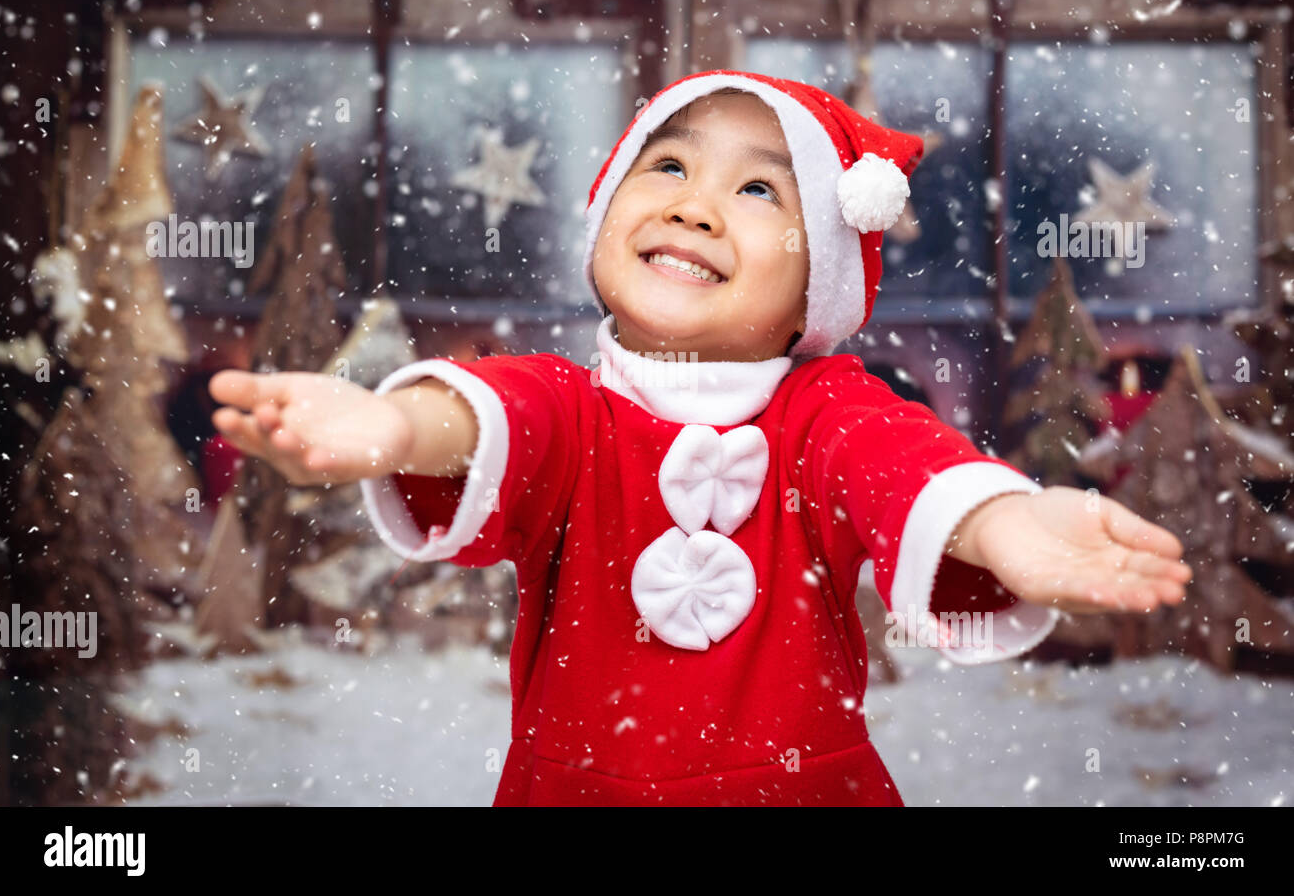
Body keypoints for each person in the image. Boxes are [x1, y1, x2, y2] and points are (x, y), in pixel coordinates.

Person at [209, 70, 1192, 806]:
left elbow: (901, 462)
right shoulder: (569, 408)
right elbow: (491, 414)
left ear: (823, 279)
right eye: (669, 163)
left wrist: (996, 520)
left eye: (760, 190)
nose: (693, 202)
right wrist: (392, 421)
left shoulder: (823, 416)